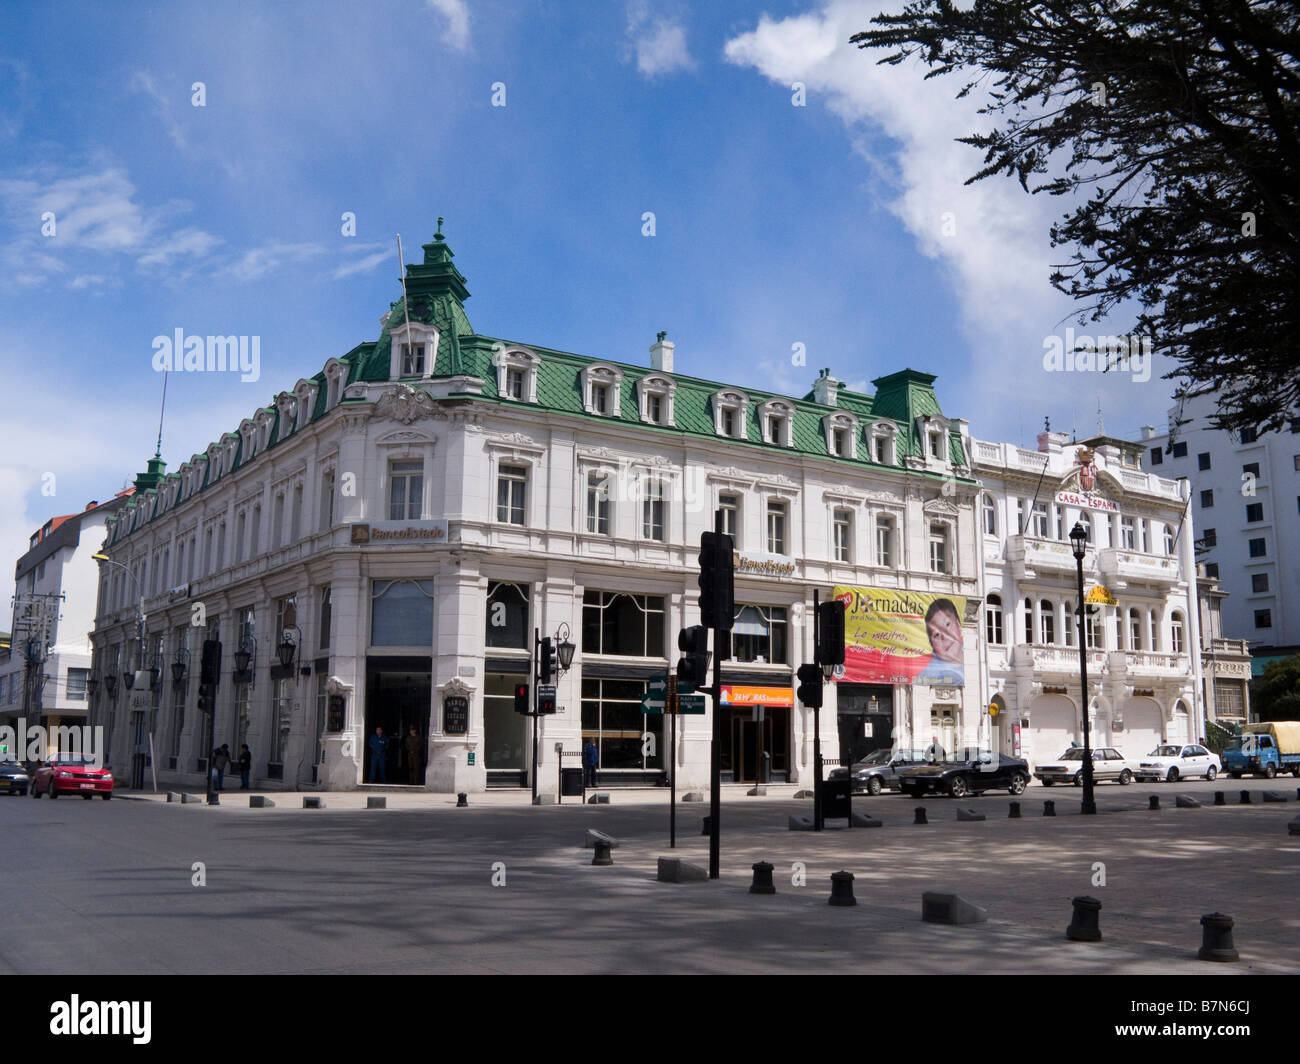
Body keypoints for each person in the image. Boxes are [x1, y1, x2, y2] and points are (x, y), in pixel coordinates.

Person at [914, 598, 965, 685]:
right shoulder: (925, 677)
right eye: (936, 634)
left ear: (958, 624)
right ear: (931, 644)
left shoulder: (973, 655)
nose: (945, 636)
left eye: (947, 624)